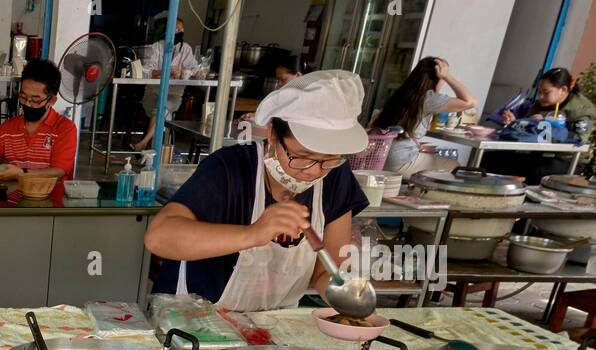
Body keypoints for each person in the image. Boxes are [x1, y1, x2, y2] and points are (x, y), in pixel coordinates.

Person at [145, 71, 372, 310]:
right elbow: (159, 237)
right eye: (302, 157)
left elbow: (325, 273)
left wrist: (348, 299)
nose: (314, 171)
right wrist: (253, 234)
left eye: (329, 160)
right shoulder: (229, 169)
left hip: (273, 326)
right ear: (273, 133)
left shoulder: (336, 178)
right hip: (194, 317)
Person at [0, 59, 75, 181]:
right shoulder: (7, 128)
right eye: (23, 97)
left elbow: (58, 171)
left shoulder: (65, 128)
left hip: (50, 197)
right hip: (13, 196)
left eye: (35, 99)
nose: (27, 103)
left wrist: (21, 173)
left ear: (52, 101)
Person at [372, 57, 475, 178]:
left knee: (433, 160)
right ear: (438, 76)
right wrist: (447, 76)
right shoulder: (427, 98)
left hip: (380, 158)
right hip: (400, 162)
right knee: (454, 167)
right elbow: (470, 102)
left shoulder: (403, 92)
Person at [489, 67, 596, 182]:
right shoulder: (540, 105)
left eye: (546, 92)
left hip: (565, 160)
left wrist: (547, 123)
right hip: (539, 154)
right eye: (539, 92)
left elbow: (578, 140)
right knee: (491, 159)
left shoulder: (582, 110)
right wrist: (515, 123)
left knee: (538, 173)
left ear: (563, 90)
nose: (541, 97)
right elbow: (528, 130)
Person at [133, 18, 198, 151]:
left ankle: (144, 144)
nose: (179, 32)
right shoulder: (156, 46)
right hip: (153, 94)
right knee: (162, 107)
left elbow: (194, 69)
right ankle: (153, 151)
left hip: (173, 96)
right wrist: (163, 71)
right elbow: (145, 71)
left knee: (164, 106)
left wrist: (186, 72)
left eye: (181, 30)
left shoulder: (186, 49)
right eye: (176, 29)